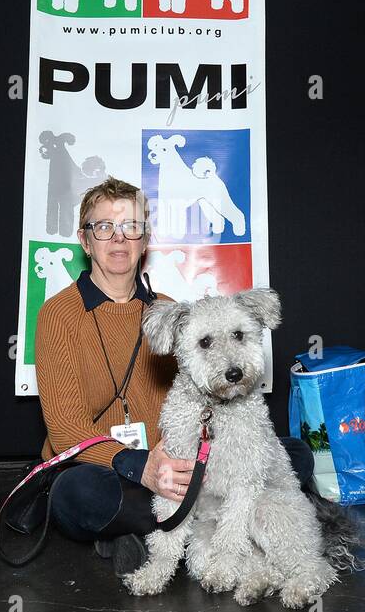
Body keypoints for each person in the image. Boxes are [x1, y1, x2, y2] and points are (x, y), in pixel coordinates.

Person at [33, 176, 313, 575]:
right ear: (85, 240)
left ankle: (151, 529)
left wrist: (174, 461)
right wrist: (140, 466)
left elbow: (196, 401)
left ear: (144, 239)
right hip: (110, 467)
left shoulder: (170, 313)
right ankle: (189, 526)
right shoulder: (59, 315)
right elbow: (63, 431)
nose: (118, 239)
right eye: (104, 227)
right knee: (73, 493)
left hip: (176, 467)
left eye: (131, 226)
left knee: (291, 454)